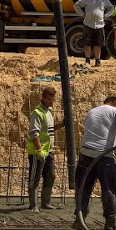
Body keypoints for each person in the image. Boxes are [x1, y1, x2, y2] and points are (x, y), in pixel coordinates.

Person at [74, 94, 116, 229]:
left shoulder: (91, 111)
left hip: (85, 154)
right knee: (109, 188)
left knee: (83, 187)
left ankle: (80, 219)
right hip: (104, 156)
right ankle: (110, 222)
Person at [27, 83, 65, 211]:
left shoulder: (49, 112)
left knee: (50, 175)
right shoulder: (37, 113)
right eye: (48, 99)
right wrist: (39, 150)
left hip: (48, 150)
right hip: (38, 152)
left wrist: (60, 125)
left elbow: (48, 130)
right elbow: (34, 133)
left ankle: (46, 203)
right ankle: (33, 205)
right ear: (42, 98)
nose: (51, 101)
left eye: (52, 99)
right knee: (35, 177)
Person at [74, 0, 114, 66]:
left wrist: (105, 16)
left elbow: (111, 8)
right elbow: (76, 5)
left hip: (99, 25)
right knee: (87, 44)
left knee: (98, 44)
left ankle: (97, 60)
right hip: (88, 24)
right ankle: (87, 60)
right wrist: (83, 14)